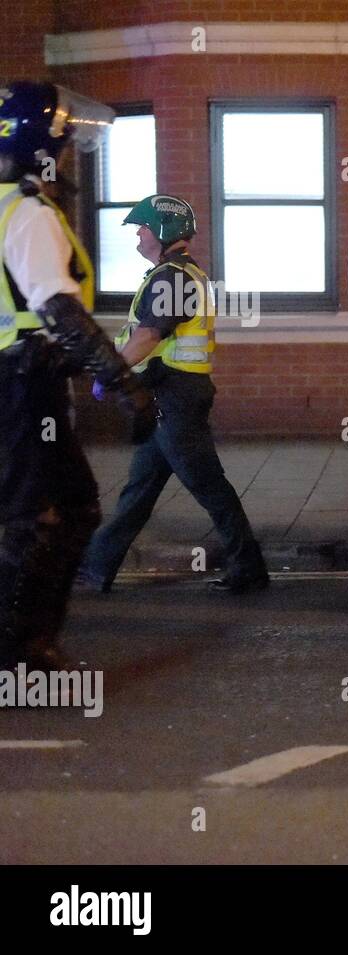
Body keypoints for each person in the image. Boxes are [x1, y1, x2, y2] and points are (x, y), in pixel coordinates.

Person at [0, 82, 155, 669]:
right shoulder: (28, 214)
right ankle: (18, 656)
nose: (67, 158)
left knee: (72, 509)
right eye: (63, 145)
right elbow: (59, 311)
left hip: (24, 377)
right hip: (21, 385)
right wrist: (124, 386)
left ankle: (32, 642)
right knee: (37, 519)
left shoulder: (8, 206)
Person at [77, 194, 268, 594]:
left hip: (174, 396)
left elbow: (149, 334)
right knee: (139, 490)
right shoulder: (173, 274)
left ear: (163, 231)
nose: (137, 235)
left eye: (142, 227)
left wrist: (111, 372)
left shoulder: (175, 278)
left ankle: (248, 566)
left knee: (209, 486)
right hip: (168, 395)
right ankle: (96, 566)